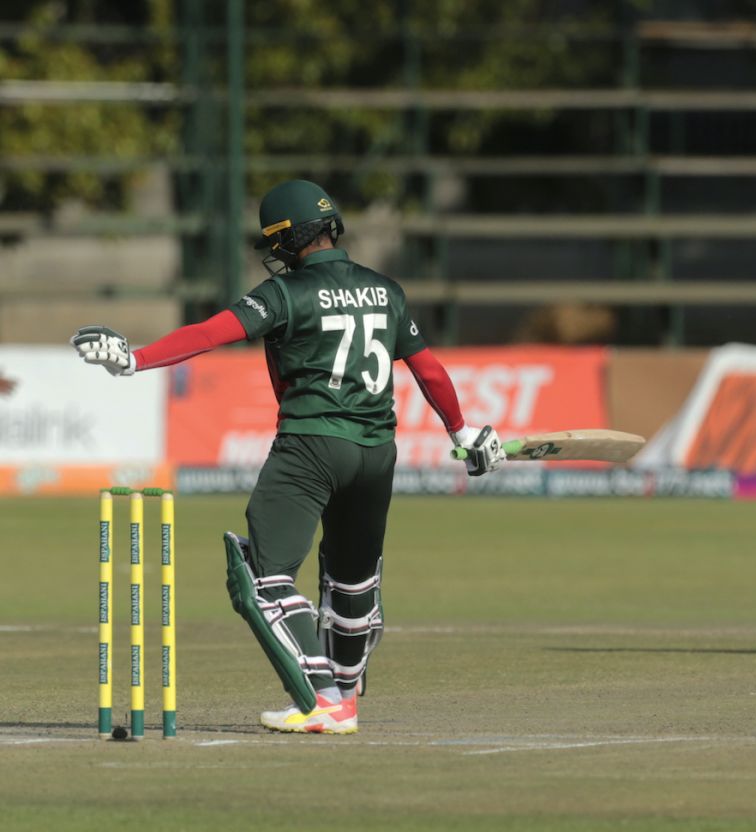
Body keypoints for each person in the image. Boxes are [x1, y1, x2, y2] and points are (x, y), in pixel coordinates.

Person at [72, 179, 507, 732]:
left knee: (263, 574)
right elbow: (428, 369)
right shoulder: (385, 290)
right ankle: (345, 699)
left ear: (287, 240)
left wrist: (134, 360)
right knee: (353, 584)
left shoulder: (286, 294)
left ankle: (322, 698)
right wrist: (463, 432)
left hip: (310, 444)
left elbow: (211, 333)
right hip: (377, 453)